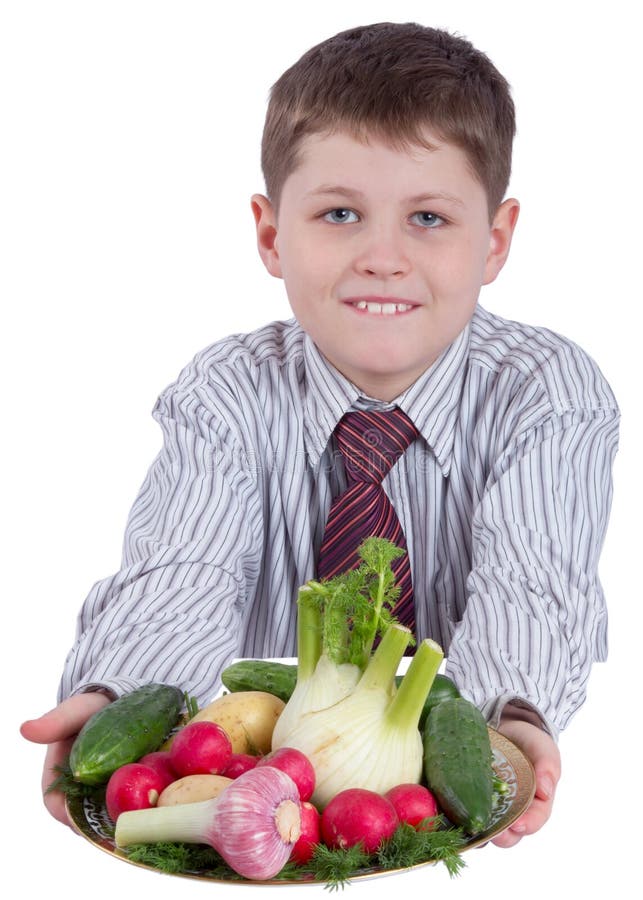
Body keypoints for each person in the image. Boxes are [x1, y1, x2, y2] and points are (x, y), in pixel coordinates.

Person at [20, 22, 619, 850]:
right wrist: (121, 695)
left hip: (432, 819)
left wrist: (508, 723)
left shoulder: (546, 394)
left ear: (494, 241)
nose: (382, 256)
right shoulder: (226, 393)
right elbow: (180, 572)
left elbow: (534, 586)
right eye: (339, 213)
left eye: (428, 218)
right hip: (258, 800)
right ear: (271, 235)